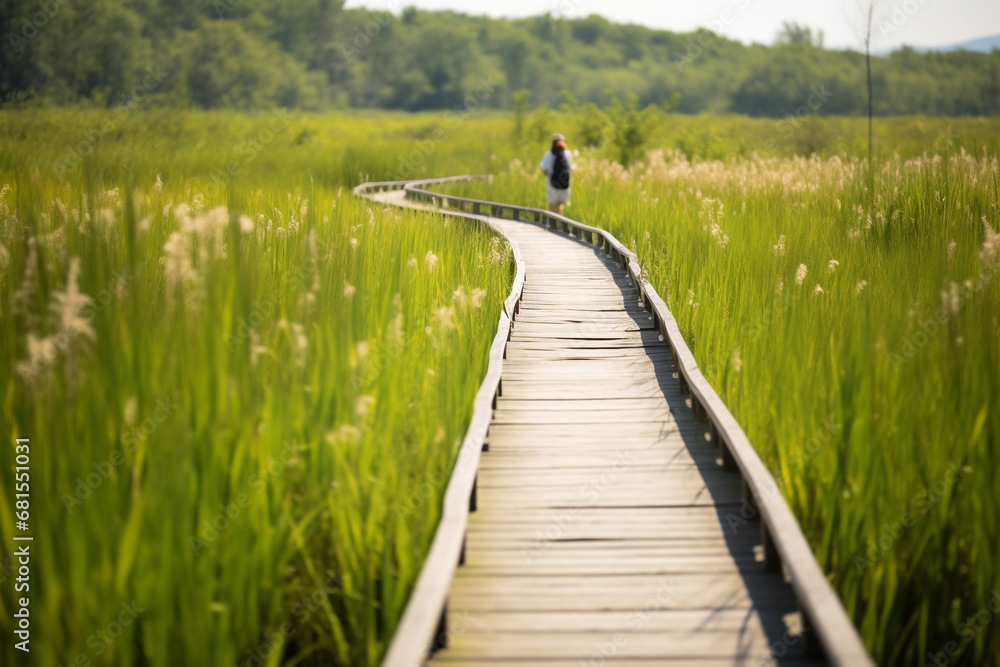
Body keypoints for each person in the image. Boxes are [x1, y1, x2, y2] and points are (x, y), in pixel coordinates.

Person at [539, 133, 573, 216]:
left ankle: (553, 224)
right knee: (560, 206)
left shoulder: (548, 154)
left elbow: (545, 169)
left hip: (552, 184)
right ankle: (560, 223)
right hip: (564, 184)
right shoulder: (567, 154)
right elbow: (570, 167)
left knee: (552, 206)